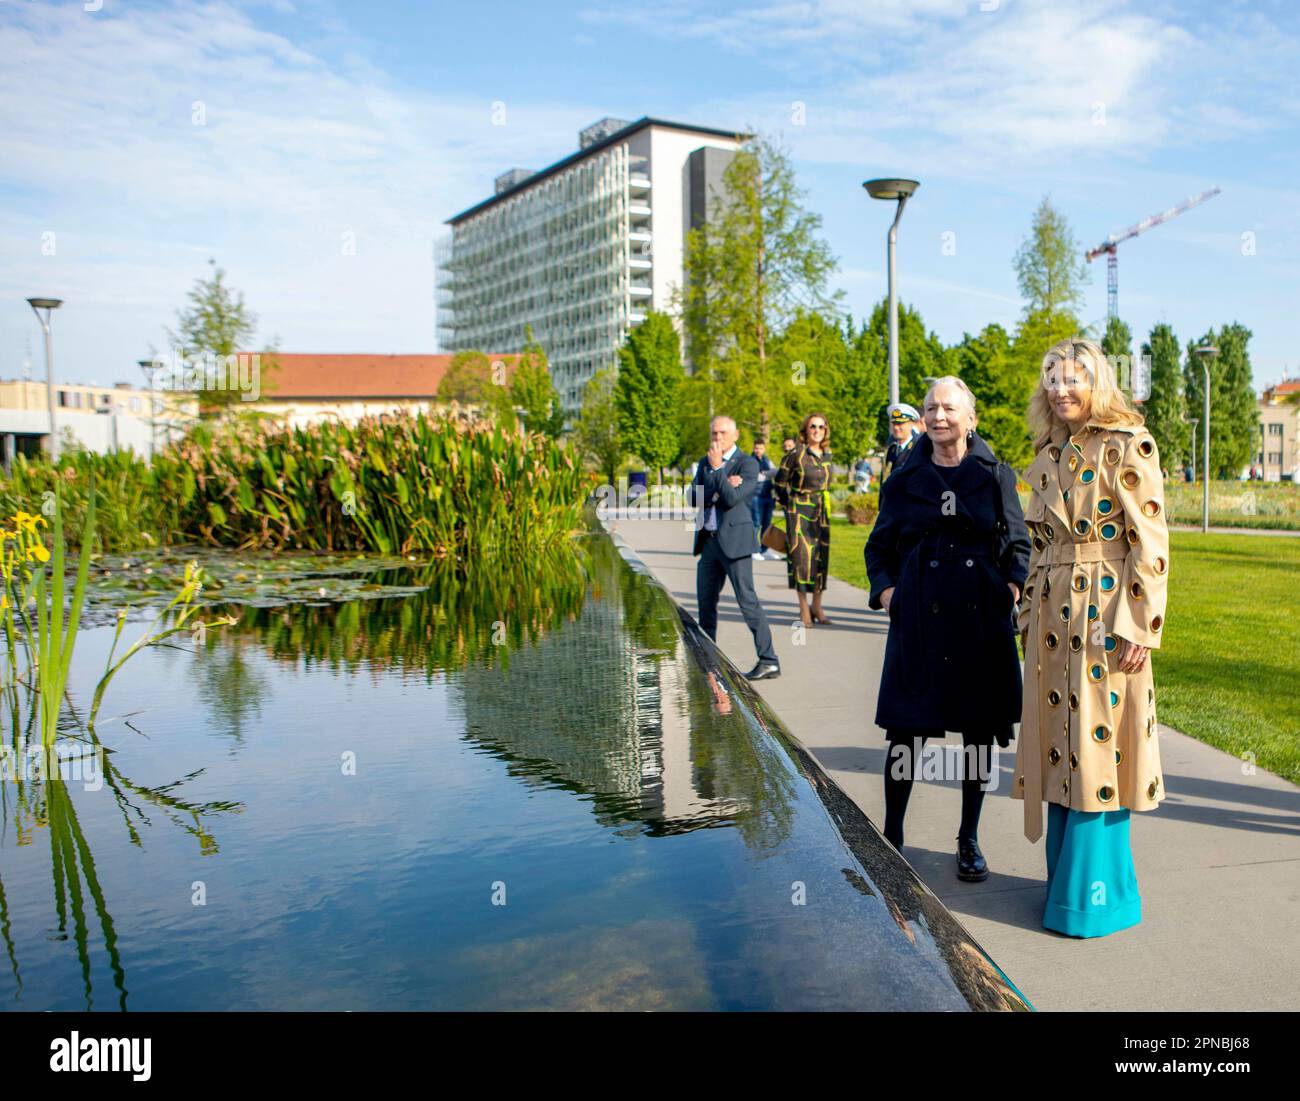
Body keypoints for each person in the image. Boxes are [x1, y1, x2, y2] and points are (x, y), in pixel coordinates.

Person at [1013, 339, 1169, 938]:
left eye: (1073, 378)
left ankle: (1094, 902)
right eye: (1052, 379)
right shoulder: (1047, 450)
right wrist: (1027, 615)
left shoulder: (1127, 444)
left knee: (1098, 748)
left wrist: (1140, 626)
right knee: (1059, 745)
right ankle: (1065, 890)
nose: (1060, 389)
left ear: (1097, 381)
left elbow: (1150, 543)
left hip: (1105, 616)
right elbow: (1037, 544)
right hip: (1054, 620)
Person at [865, 377, 1030, 881]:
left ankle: (968, 838)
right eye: (931, 408)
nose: (939, 416)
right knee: (905, 731)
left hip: (979, 619)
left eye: (949, 408)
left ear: (970, 418)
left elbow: (1019, 544)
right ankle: (892, 834)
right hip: (919, 616)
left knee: (978, 735)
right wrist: (889, 593)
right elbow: (878, 548)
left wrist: (1010, 590)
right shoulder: (903, 477)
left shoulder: (996, 474)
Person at [692, 415, 780, 681]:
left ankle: (769, 660)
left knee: (747, 601)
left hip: (735, 543)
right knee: (705, 604)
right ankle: (708, 660)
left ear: (735, 434)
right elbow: (693, 497)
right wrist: (719, 483)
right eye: (714, 433)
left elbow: (733, 499)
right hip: (709, 542)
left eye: (722, 433)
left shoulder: (748, 463)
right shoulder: (705, 461)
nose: (717, 438)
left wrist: (718, 473)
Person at [773, 412, 835, 628]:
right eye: (813, 427)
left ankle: (817, 605)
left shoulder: (827, 455)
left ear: (825, 431)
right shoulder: (796, 454)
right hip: (799, 511)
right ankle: (803, 608)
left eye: (820, 427)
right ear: (805, 430)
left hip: (821, 513)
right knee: (801, 559)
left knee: (820, 558)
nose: (817, 431)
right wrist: (789, 504)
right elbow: (780, 483)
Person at [879, 402, 923, 494]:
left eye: (900, 423)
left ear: (911, 424)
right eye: (894, 423)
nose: (896, 427)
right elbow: (884, 480)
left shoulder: (919, 448)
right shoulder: (891, 450)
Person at [750, 438, 778, 560]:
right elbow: (756, 477)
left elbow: (776, 472)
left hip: (768, 495)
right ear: (753, 448)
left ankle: (764, 549)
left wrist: (764, 473)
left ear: (764, 448)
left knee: (766, 523)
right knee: (755, 523)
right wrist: (767, 474)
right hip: (755, 496)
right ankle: (753, 550)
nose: (758, 450)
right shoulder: (750, 461)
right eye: (756, 448)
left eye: (760, 448)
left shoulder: (767, 459)